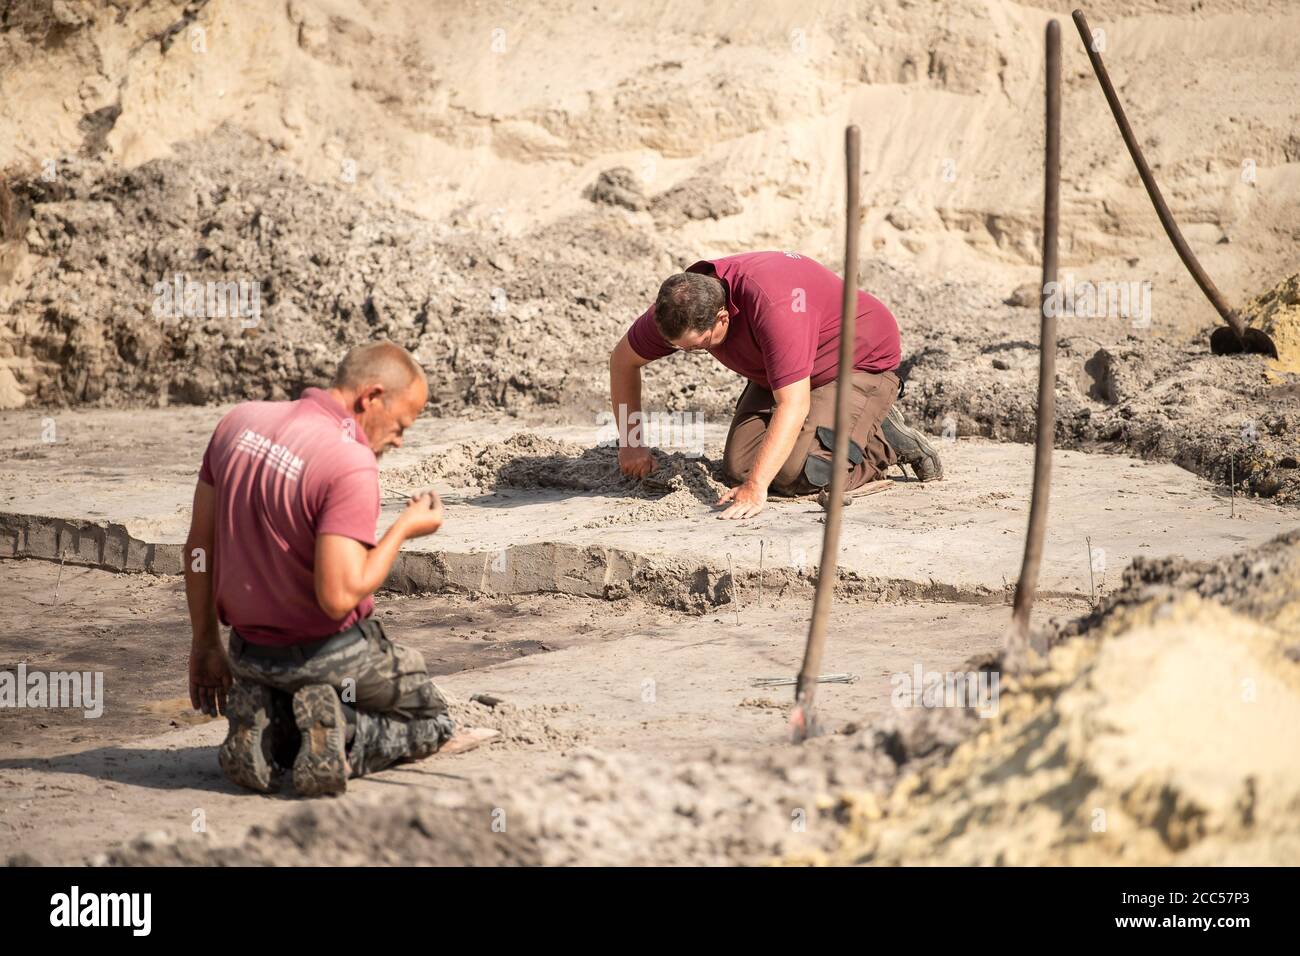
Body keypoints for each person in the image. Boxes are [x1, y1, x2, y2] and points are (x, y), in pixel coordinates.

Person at [185, 341, 454, 796]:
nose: (400, 439)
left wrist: (206, 643)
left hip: (248, 652)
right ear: (371, 398)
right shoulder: (350, 463)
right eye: (401, 423)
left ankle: (270, 721)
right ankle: (339, 740)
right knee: (432, 720)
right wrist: (403, 530)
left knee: (305, 689)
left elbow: (198, 548)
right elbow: (338, 595)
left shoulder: (237, 423)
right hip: (330, 656)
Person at [609, 251, 942, 520]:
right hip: (784, 370)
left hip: (856, 361)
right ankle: (849, 426)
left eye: (698, 345)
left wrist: (756, 487)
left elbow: (793, 405)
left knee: (801, 474)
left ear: (723, 318)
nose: (690, 353)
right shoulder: (682, 304)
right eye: (680, 347)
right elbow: (623, 361)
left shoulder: (774, 307)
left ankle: (884, 440)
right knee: (738, 468)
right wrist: (631, 443)